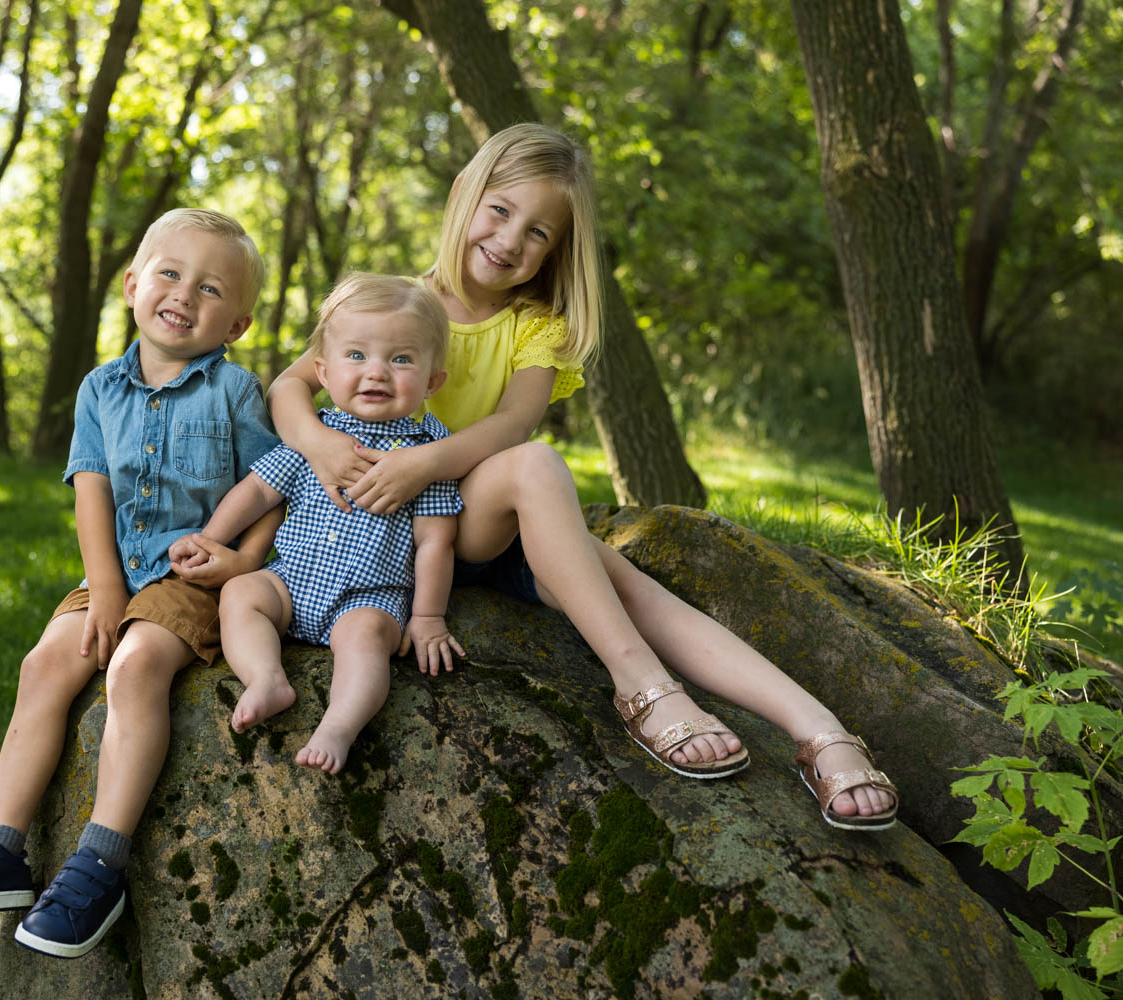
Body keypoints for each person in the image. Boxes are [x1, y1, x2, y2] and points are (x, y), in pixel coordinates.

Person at [241, 123, 899, 830]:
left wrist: (423, 462)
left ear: (555, 253)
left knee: (613, 567)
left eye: (537, 234)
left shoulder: (535, 326)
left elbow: (513, 425)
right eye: (500, 210)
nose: (509, 240)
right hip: (381, 542)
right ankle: (647, 686)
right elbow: (288, 382)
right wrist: (318, 445)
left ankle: (815, 728)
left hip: (471, 524)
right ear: (464, 193)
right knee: (583, 539)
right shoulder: (388, 308)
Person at [0, 208, 283, 957]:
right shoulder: (100, 389)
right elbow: (91, 491)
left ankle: (100, 866)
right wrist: (103, 587)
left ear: (235, 323)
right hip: (114, 571)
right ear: (134, 285)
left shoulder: (236, 392)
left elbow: (274, 484)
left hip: (189, 578)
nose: (183, 294)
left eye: (209, 288)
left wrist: (244, 563)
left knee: (134, 669)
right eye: (169, 274)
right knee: (44, 664)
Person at [169, 273, 464, 776]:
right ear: (323, 373)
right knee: (241, 595)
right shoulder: (316, 436)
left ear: (433, 380)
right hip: (291, 580)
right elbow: (259, 490)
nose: (377, 373)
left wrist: (428, 617)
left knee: (367, 639)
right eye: (357, 356)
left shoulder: (427, 453)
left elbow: (436, 542)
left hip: (368, 596)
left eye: (401, 359)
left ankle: (340, 724)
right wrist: (212, 538)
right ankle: (266, 679)